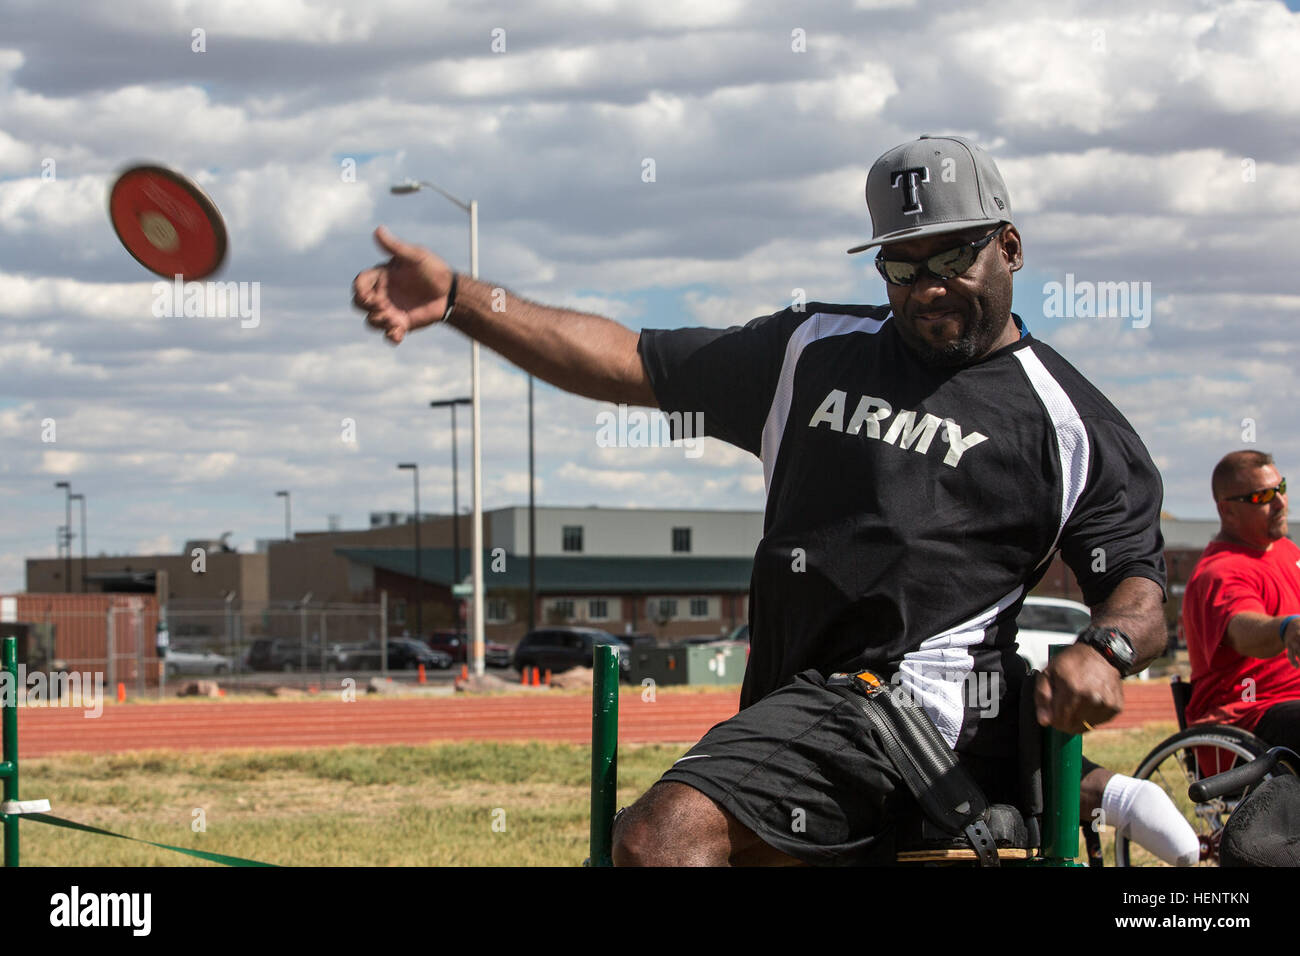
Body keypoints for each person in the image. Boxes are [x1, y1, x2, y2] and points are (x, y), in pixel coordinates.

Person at [352, 134, 1192, 865]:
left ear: (1008, 246)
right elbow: (626, 361)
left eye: (952, 256)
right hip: (791, 708)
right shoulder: (812, 352)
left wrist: (1107, 650)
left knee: (661, 838)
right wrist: (463, 300)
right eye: (902, 264)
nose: (927, 285)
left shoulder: (1069, 421)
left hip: (913, 710)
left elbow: (1141, 593)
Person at [1183, 450, 1300, 753]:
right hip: (1248, 719)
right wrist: (1286, 628)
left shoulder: (1287, 552)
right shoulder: (1220, 572)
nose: (1280, 503)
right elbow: (1243, 630)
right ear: (1227, 511)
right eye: (1263, 497)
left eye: (1281, 489)